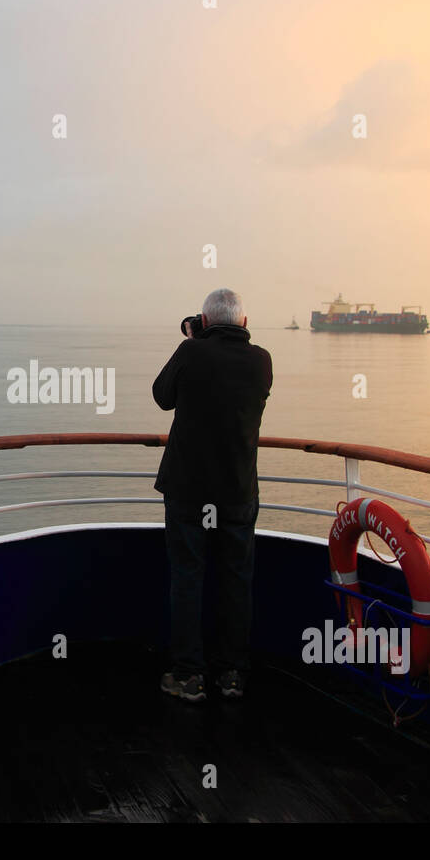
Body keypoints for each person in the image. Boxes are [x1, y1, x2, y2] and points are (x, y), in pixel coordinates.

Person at [152, 288, 272, 702]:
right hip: (238, 490)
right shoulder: (262, 361)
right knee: (236, 580)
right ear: (243, 322)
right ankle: (232, 675)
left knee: (188, 578)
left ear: (203, 322)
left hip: (188, 490)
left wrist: (192, 339)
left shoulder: (192, 352)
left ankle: (189, 676)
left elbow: (161, 396)